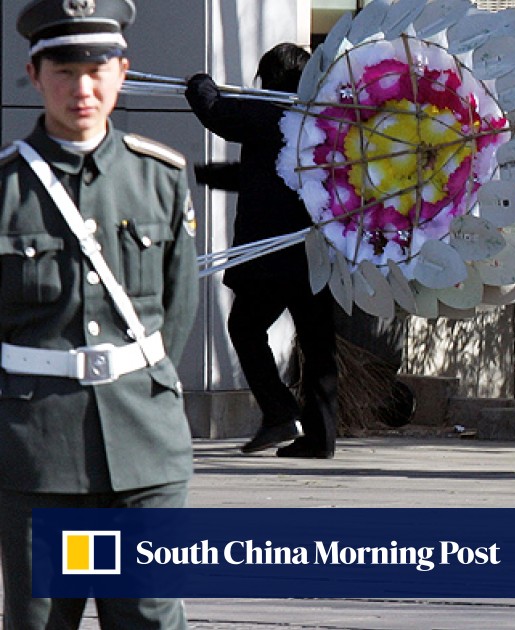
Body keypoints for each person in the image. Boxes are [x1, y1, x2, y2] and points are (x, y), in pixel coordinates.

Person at [0, 0, 198, 626]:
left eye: (97, 69)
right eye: (64, 71)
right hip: (37, 454)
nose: (82, 88)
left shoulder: (161, 177)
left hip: (146, 452)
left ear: (123, 72)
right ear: (34, 75)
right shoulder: (6, 189)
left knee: (148, 617)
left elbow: (178, 310)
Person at [185, 43, 339, 459]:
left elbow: (218, 113)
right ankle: (320, 436)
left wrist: (199, 84)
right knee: (318, 346)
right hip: (314, 255)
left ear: (272, 78)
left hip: (274, 257)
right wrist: (209, 175)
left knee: (245, 328)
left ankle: (279, 411)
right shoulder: (318, 121)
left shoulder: (275, 111)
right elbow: (268, 176)